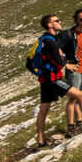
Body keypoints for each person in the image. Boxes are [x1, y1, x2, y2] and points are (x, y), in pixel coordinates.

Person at [27, 14, 69, 147]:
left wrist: (40, 73)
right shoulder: (51, 41)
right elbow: (60, 60)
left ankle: (41, 141)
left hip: (45, 79)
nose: (60, 22)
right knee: (78, 96)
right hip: (53, 79)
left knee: (43, 110)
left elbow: (28, 64)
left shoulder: (41, 40)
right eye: (57, 21)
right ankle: (78, 125)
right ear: (50, 25)